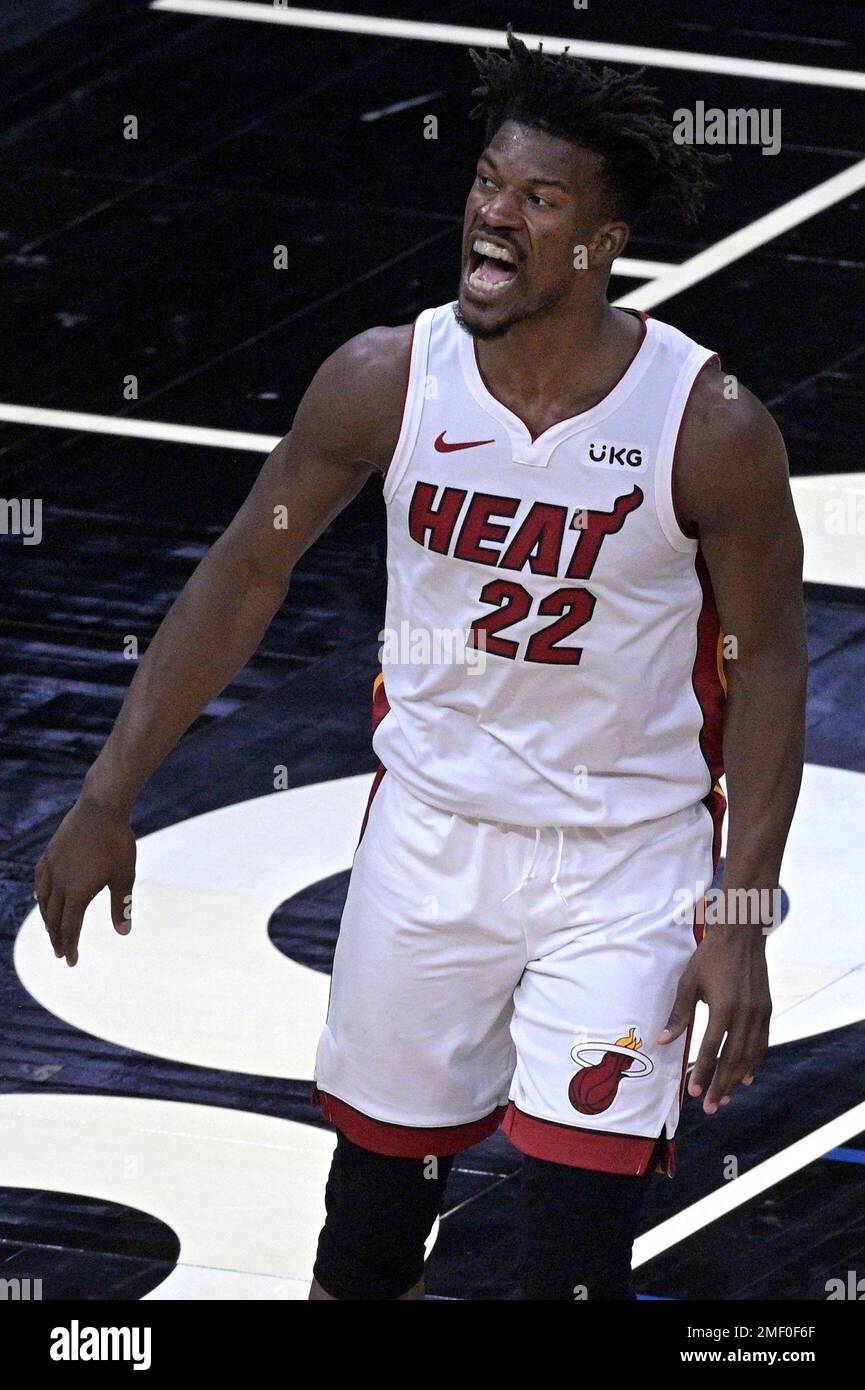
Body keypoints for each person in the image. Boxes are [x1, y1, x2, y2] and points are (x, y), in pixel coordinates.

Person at [35, 30, 807, 1300]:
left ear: (600, 242)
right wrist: (108, 792)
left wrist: (737, 913)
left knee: (569, 1262)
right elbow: (244, 575)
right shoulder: (384, 382)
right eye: (488, 185)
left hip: (626, 865)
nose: (495, 218)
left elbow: (769, 667)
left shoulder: (706, 430)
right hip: (429, 843)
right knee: (371, 1234)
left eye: (538, 200)